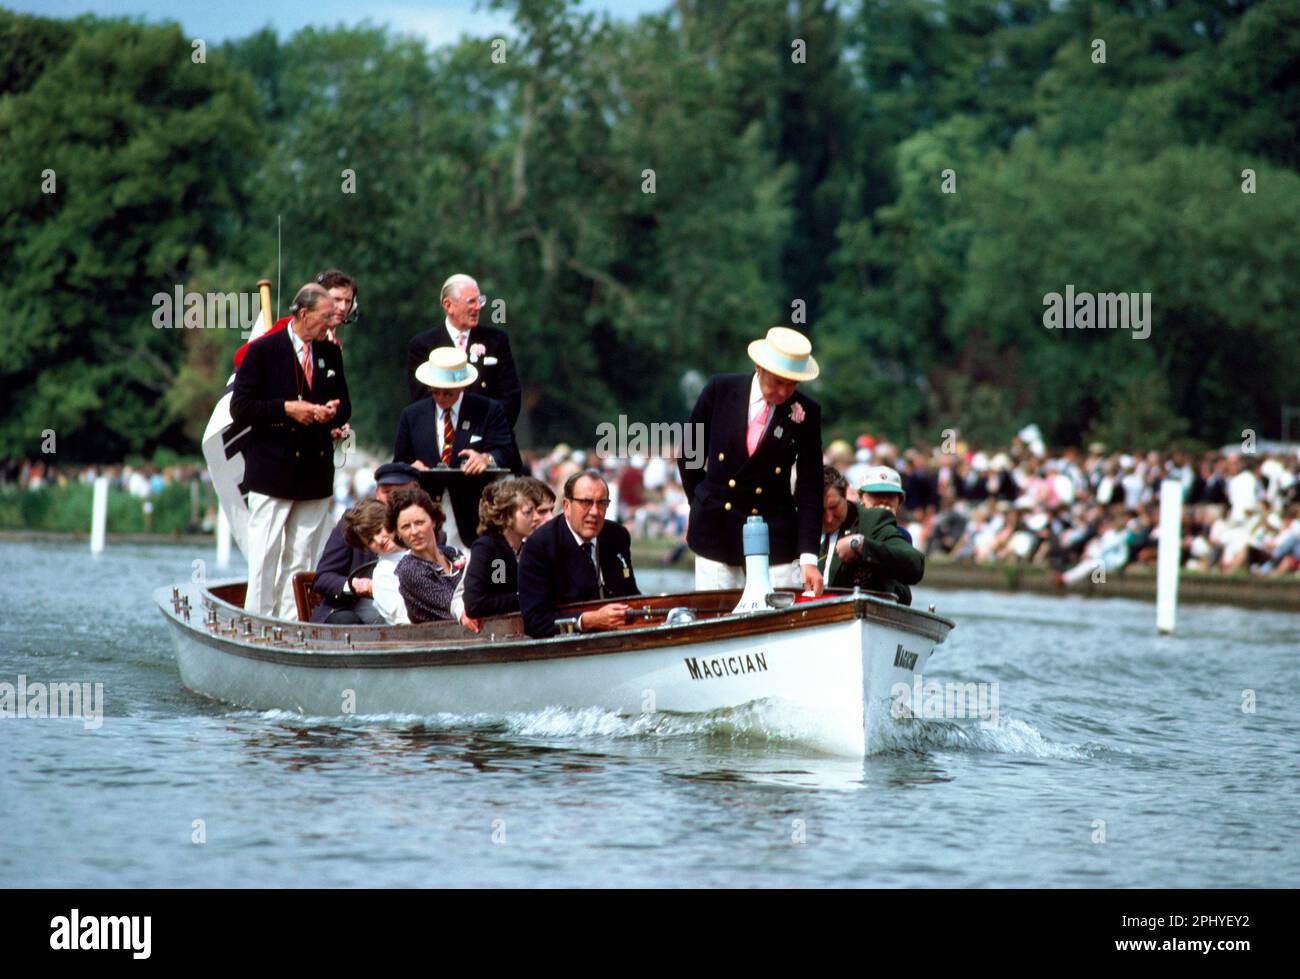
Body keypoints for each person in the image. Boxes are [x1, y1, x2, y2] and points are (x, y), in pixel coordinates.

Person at [231, 283, 350, 619]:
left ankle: (289, 622)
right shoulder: (262, 351)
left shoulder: (330, 353)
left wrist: (330, 413)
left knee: (301, 556)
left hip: (315, 470)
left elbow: (345, 405)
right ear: (302, 313)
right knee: (265, 554)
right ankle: (256, 621)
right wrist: (287, 409)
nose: (330, 324)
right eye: (325, 317)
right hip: (272, 469)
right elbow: (241, 408)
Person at [679, 326, 824, 595]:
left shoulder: (807, 412)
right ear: (759, 367)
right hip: (717, 531)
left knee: (780, 623)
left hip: (775, 534)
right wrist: (702, 501)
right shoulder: (720, 390)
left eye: (792, 384)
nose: (784, 392)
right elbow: (689, 453)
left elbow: (810, 487)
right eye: (778, 382)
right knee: (717, 621)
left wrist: (808, 558)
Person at [394, 346, 520, 550]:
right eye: (435, 392)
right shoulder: (412, 415)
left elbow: (505, 452)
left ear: (462, 387)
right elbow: (399, 462)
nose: (441, 399)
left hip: (472, 513)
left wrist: (485, 459)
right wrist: (410, 467)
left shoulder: (488, 410)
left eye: (448, 393)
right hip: (426, 511)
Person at [518, 469, 640, 638]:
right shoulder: (540, 546)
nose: (595, 512)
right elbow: (535, 621)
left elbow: (632, 595)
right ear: (567, 506)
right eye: (586, 503)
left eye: (602, 503)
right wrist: (586, 621)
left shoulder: (617, 535)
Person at [311, 462, 420, 623]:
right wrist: (355, 584)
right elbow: (322, 577)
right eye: (387, 492)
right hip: (351, 610)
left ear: (416, 490)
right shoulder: (354, 522)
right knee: (346, 620)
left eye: (400, 492)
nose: (393, 499)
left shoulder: (425, 525)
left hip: (407, 610)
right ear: (377, 493)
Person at [406, 274, 522, 425]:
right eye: (471, 301)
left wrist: (484, 434)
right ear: (448, 305)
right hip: (444, 438)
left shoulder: (496, 341)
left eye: (479, 300)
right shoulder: (422, 346)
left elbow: (510, 398)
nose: (478, 307)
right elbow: (423, 402)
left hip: (490, 436)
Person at [451, 478, 553, 632]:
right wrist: (526, 597)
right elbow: (476, 603)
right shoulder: (490, 548)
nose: (536, 518)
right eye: (528, 512)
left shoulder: (526, 549)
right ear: (505, 517)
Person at [820, 466, 924, 605]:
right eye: (875, 495)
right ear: (860, 497)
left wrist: (860, 546)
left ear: (900, 501)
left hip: (862, 609)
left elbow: (911, 569)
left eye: (890, 496)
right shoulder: (801, 526)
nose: (883, 502)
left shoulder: (880, 525)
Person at [386, 487, 465, 623]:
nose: (414, 531)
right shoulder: (409, 570)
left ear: (433, 521)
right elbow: (454, 604)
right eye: (405, 527)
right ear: (398, 533)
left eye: (419, 523)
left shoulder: (452, 553)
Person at [341, 498, 410, 625]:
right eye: (370, 541)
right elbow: (403, 618)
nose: (379, 540)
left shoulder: (419, 548)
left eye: (379, 530)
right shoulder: (383, 572)